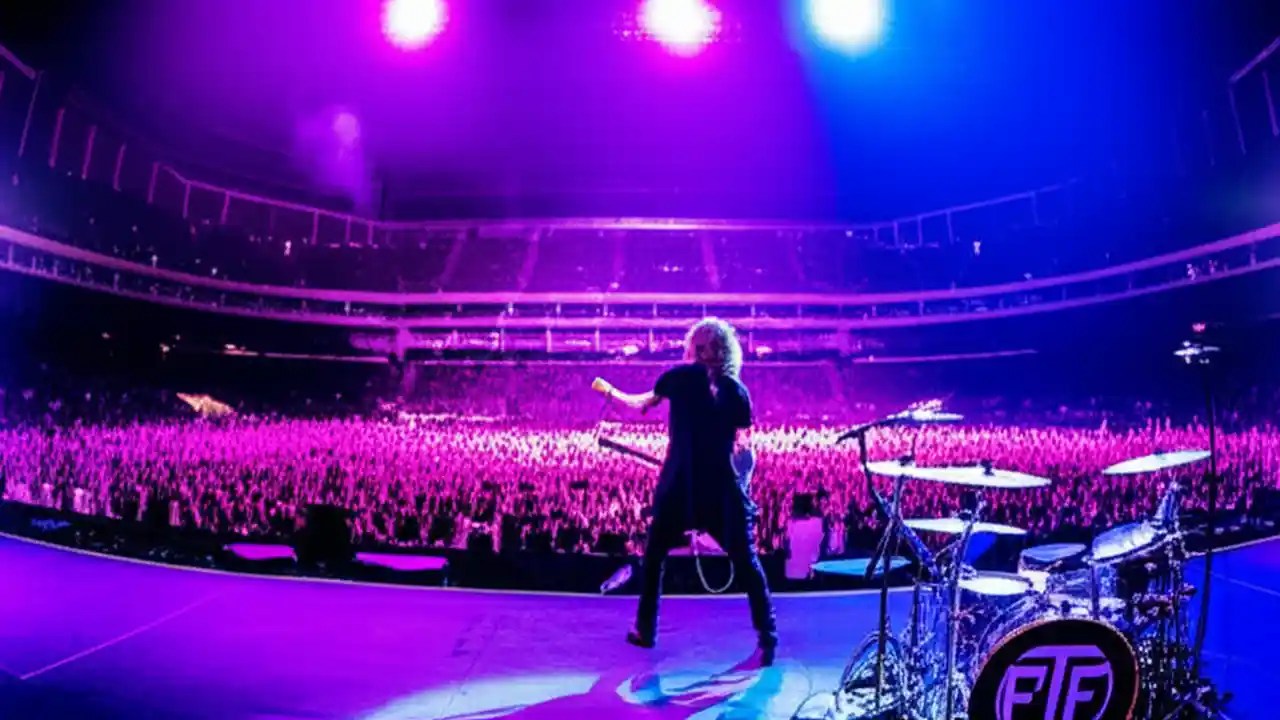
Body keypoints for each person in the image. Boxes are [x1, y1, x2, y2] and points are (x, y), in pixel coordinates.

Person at [593, 318, 778, 666]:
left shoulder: (679, 378)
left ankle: (646, 631)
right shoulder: (735, 391)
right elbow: (743, 452)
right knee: (745, 561)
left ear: (697, 349)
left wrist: (607, 393)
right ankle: (767, 638)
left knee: (656, 558)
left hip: (680, 484)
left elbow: (636, 405)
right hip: (719, 489)